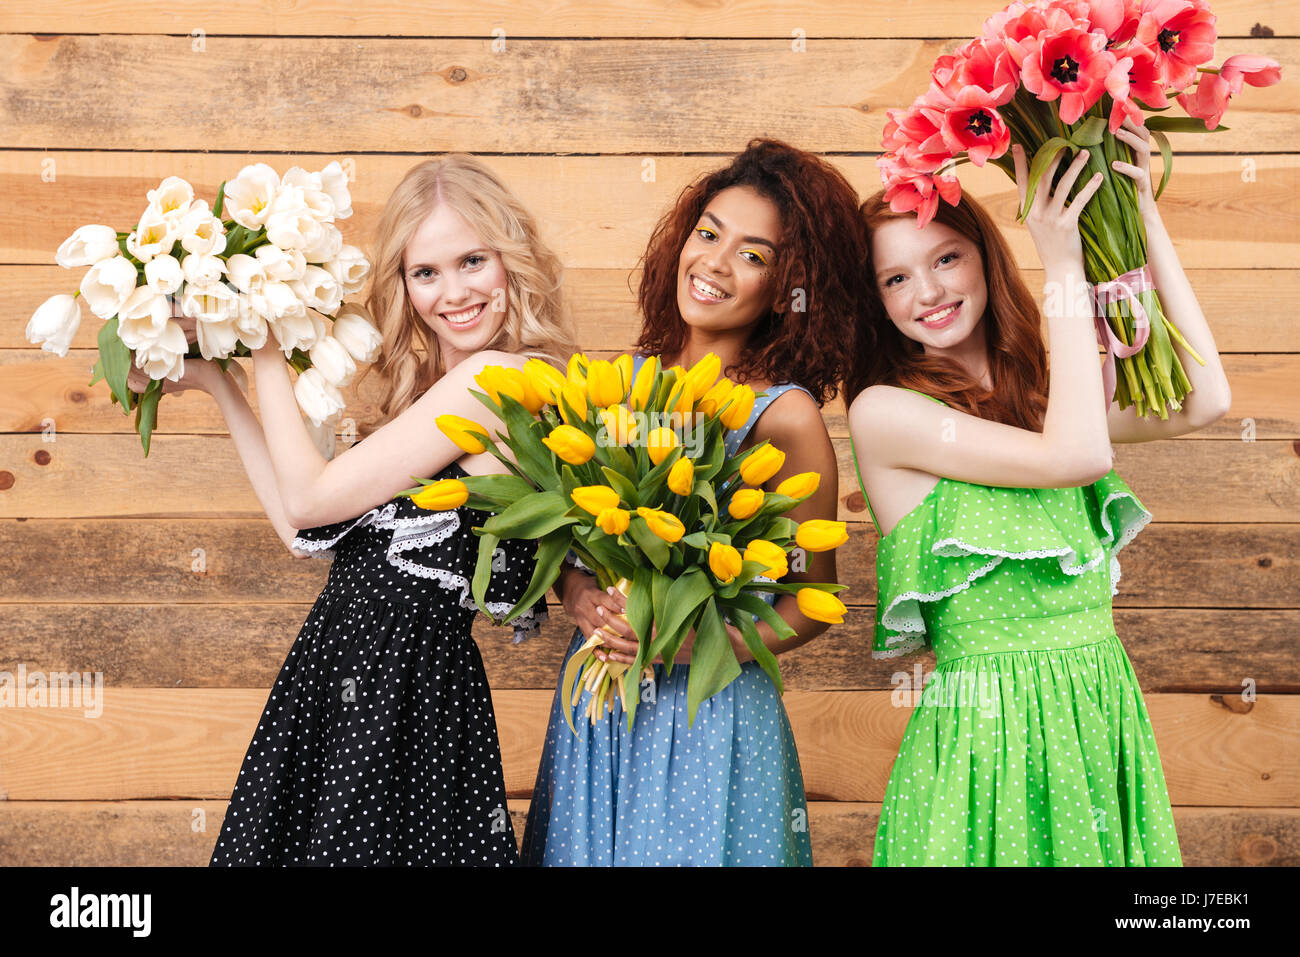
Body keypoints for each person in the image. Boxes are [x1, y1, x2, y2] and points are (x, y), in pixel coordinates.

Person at [130, 154, 578, 865]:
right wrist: (221, 380)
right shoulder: (446, 391)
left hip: (402, 701)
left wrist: (264, 330)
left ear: (511, 260)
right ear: (402, 283)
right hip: (351, 687)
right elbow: (300, 525)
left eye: (472, 261)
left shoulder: (499, 378)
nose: (453, 291)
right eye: (424, 272)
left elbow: (310, 499)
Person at [846, 120, 1232, 865]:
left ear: (984, 257)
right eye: (896, 279)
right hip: (985, 743)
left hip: (1098, 714)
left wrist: (1144, 212)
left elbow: (1205, 398)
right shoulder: (886, 413)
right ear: (878, 301)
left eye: (946, 258)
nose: (927, 292)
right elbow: (1080, 454)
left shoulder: (1051, 398)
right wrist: (1063, 265)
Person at [522, 138, 872, 865]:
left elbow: (812, 600)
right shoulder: (617, 382)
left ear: (789, 286)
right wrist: (581, 595)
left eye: (753, 254)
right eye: (708, 233)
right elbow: (563, 530)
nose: (712, 262)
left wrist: (692, 648)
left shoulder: (784, 417)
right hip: (598, 705)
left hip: (710, 709)